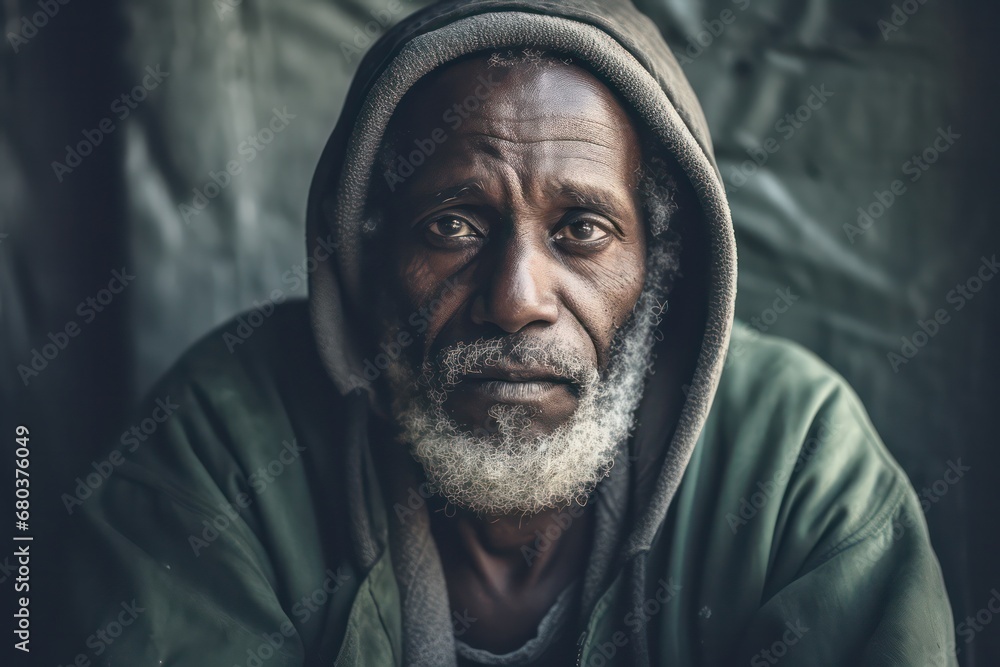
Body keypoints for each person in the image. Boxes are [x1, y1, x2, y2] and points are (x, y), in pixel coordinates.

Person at [66, 0, 956, 665]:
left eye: (583, 229)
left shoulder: (798, 457)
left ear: (659, 269)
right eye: (453, 225)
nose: (517, 298)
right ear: (369, 254)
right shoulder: (221, 439)